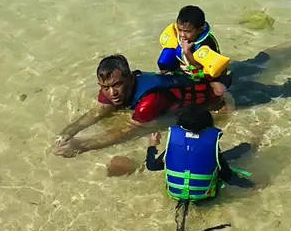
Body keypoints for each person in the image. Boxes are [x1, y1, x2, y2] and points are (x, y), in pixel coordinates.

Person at [52, 53, 226, 156]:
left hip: (212, 101)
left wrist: (82, 146)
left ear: (130, 77)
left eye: (117, 85)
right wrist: (68, 132)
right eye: (105, 87)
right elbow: (98, 111)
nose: (112, 92)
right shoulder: (112, 88)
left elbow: (124, 132)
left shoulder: (148, 102)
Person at [141, 101, 253, 200]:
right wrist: (251, 185)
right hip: (205, 196)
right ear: (208, 125)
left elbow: (152, 166)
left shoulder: (175, 142)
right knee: (217, 161)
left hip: (175, 194)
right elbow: (228, 177)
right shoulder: (210, 143)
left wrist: (152, 146)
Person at [157, 5, 231, 82]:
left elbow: (199, 67)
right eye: (180, 30)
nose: (182, 35)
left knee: (219, 90)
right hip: (186, 69)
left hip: (201, 74)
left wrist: (187, 52)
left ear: (200, 30)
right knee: (167, 55)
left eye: (188, 31)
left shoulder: (206, 43)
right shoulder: (180, 35)